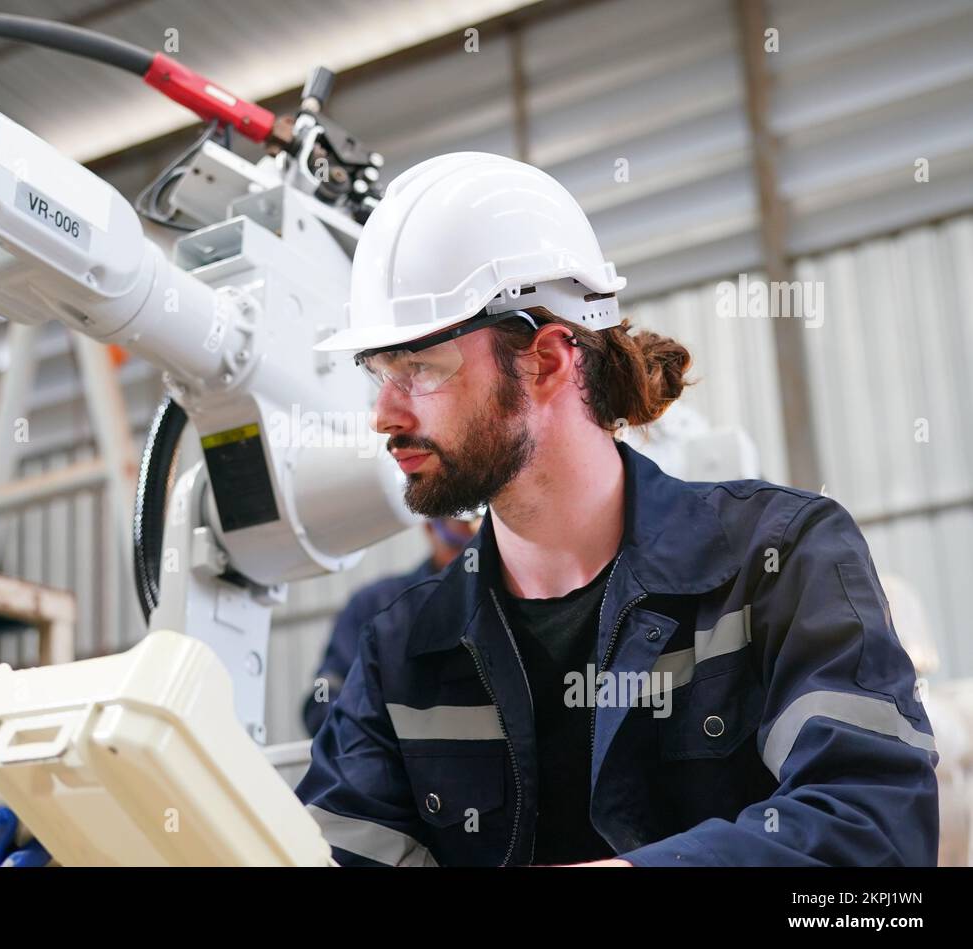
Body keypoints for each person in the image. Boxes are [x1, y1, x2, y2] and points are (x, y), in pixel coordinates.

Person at [293, 151, 939, 866]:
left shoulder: (778, 560)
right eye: (378, 374)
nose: (384, 414)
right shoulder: (399, 651)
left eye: (418, 368)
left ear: (547, 360)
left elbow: (874, 828)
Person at [303, 518, 477, 737]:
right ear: (430, 528)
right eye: (457, 544)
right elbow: (324, 694)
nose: (467, 558)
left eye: (477, 546)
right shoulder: (374, 604)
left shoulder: (503, 604)